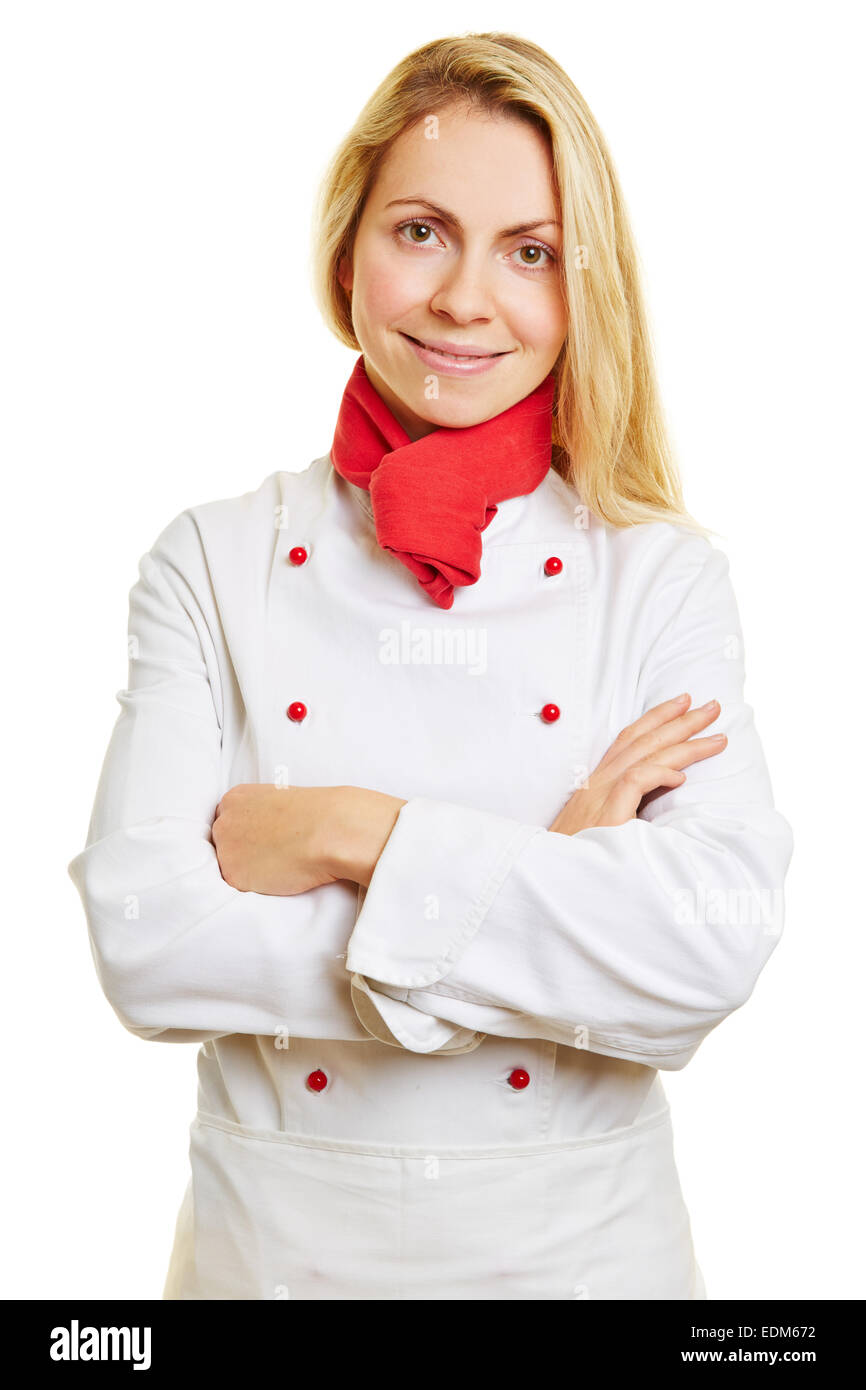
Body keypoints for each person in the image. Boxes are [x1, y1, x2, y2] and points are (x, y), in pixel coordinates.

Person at [67, 31, 794, 1300]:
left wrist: (354, 831)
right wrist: (550, 873)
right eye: (420, 231)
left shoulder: (659, 576)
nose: (467, 298)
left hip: (580, 1266)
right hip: (271, 1260)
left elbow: (699, 955)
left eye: (530, 252)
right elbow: (147, 941)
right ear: (345, 244)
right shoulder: (212, 559)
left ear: (583, 289)